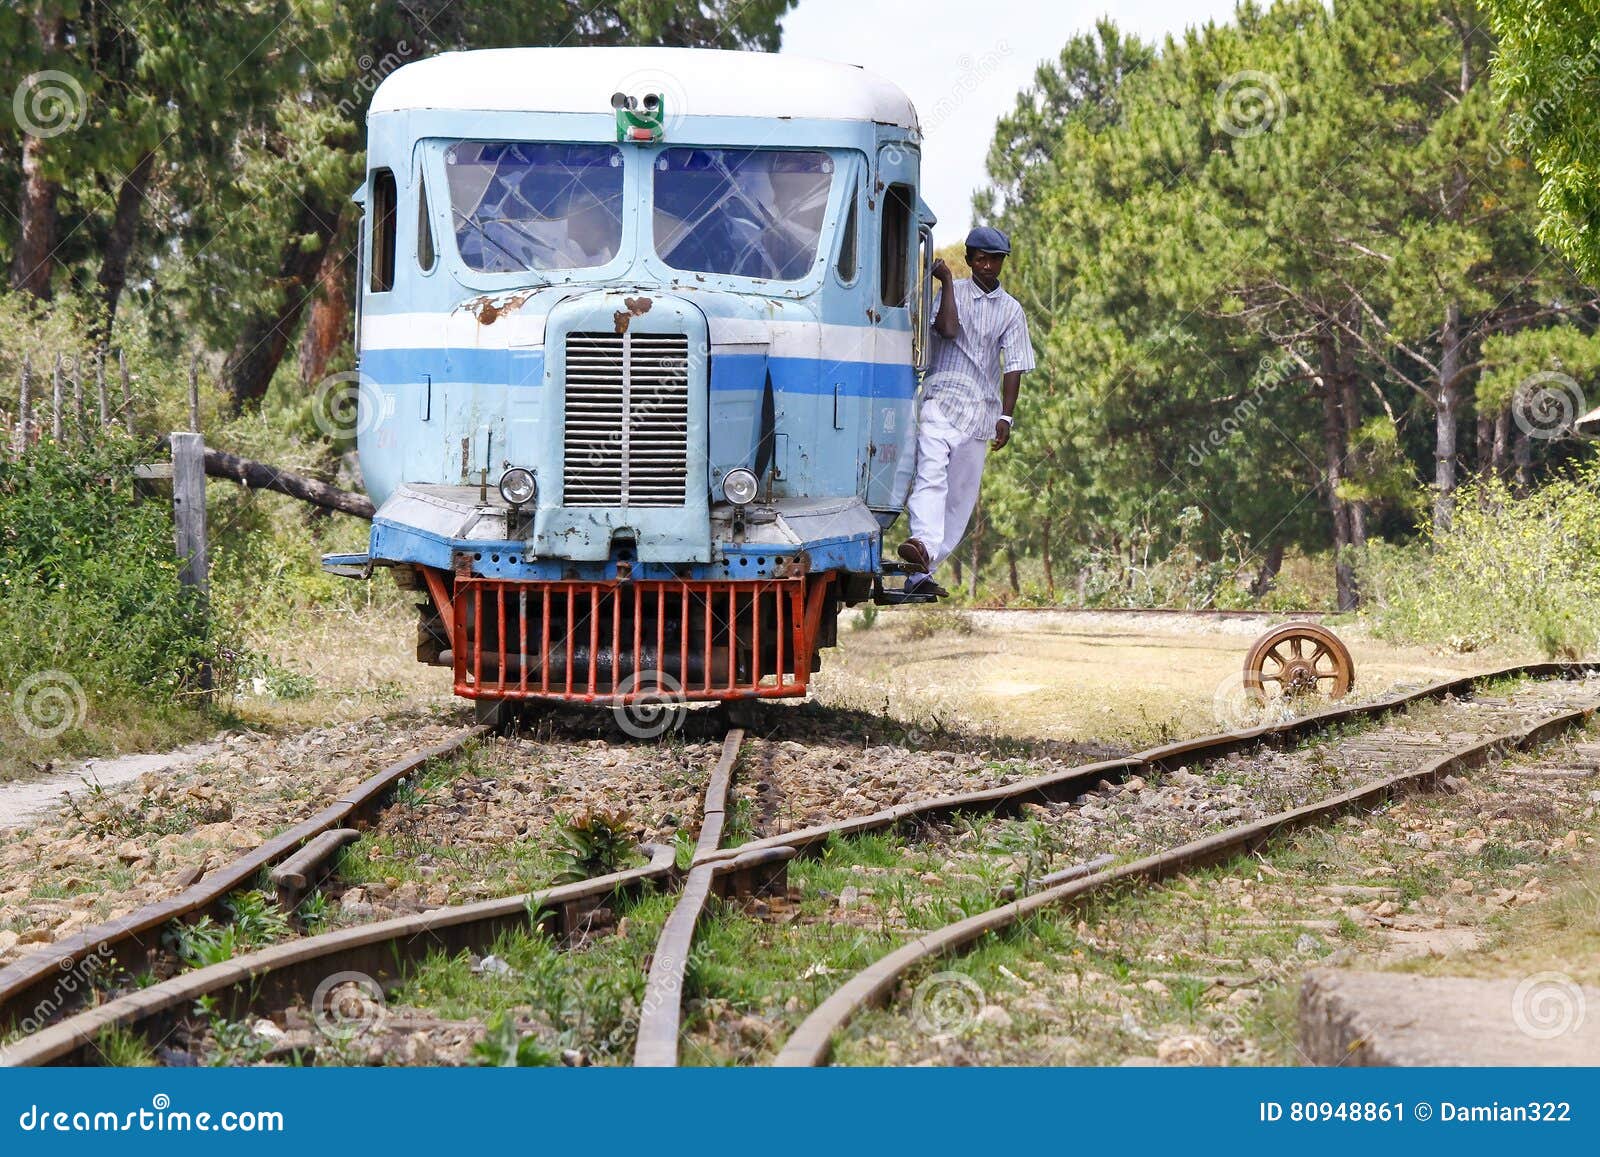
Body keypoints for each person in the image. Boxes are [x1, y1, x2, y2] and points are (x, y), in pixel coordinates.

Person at [898, 225, 1035, 597]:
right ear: (970, 260)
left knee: (959, 499)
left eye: (995, 260)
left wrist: (1006, 416)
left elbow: (1014, 365)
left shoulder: (1011, 310)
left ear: (1002, 262)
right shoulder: (950, 291)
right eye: (980, 259)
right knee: (930, 476)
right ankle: (921, 544)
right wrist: (945, 282)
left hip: (979, 414)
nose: (987, 266)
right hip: (940, 403)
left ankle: (923, 568)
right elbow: (947, 330)